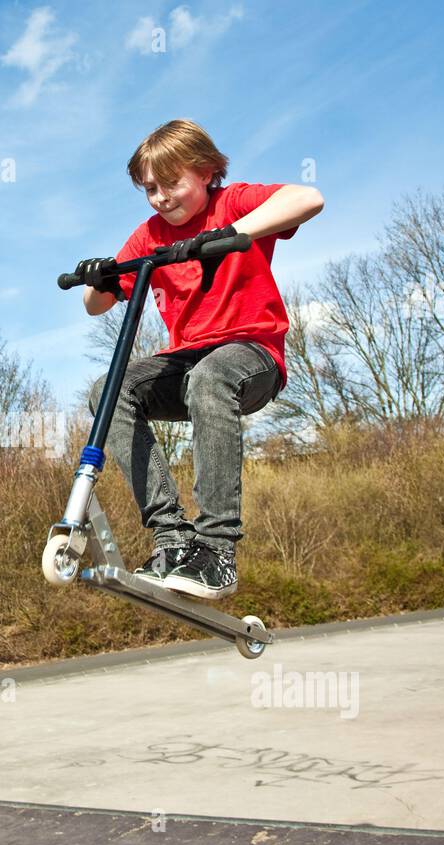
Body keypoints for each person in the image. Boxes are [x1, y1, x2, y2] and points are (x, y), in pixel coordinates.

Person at [77, 118, 323, 600]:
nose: (161, 197)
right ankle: (172, 536)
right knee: (108, 391)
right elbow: (96, 305)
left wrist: (230, 234)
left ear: (207, 171)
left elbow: (308, 199)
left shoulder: (232, 202)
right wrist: (98, 279)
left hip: (251, 354)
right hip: (185, 361)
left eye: (171, 183)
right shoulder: (149, 234)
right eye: (150, 188)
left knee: (212, 376)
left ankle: (217, 549)